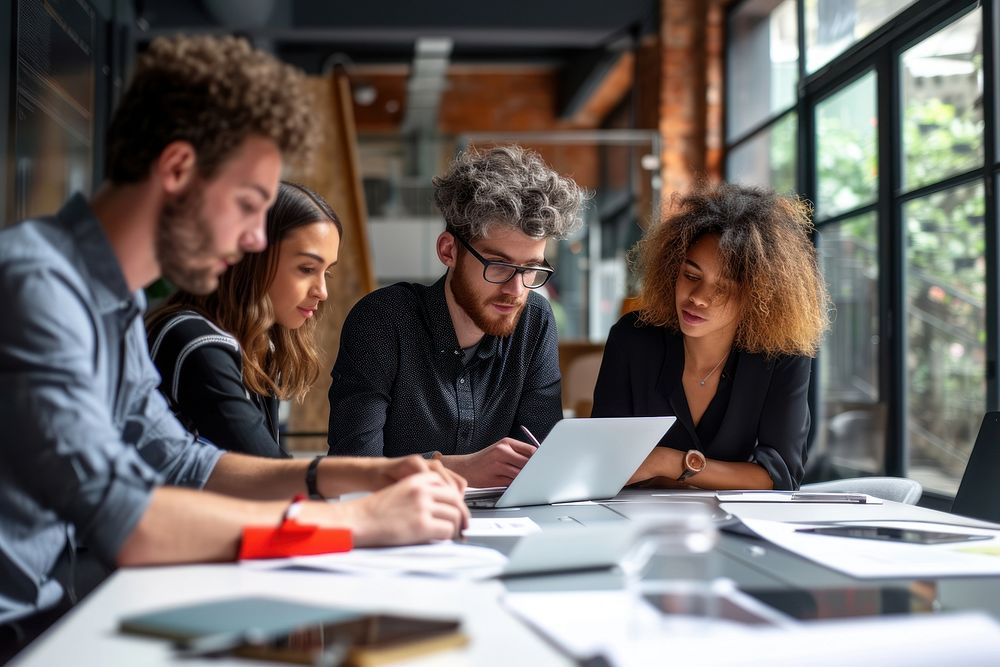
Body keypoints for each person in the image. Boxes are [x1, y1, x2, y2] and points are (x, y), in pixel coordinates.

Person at [0, 35, 467, 653]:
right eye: (249, 205)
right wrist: (355, 521)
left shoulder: (113, 300)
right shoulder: (39, 287)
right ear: (176, 170)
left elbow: (183, 463)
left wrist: (365, 474)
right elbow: (129, 520)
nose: (254, 240)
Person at [327, 146, 586, 488]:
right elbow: (351, 467)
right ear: (449, 250)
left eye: (531, 269)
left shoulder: (534, 322)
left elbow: (541, 457)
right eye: (499, 266)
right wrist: (458, 469)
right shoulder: (383, 320)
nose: (517, 289)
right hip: (396, 530)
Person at [591, 182, 830, 491]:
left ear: (758, 295)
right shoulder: (632, 339)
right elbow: (604, 461)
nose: (699, 298)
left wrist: (665, 462)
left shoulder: (782, 354)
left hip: (744, 527)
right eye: (691, 276)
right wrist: (727, 475)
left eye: (724, 288)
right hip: (639, 523)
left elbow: (779, 476)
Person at [147, 181, 341, 458]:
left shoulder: (259, 349)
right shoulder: (194, 342)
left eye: (327, 273)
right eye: (307, 268)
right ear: (253, 259)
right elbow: (269, 473)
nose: (322, 291)